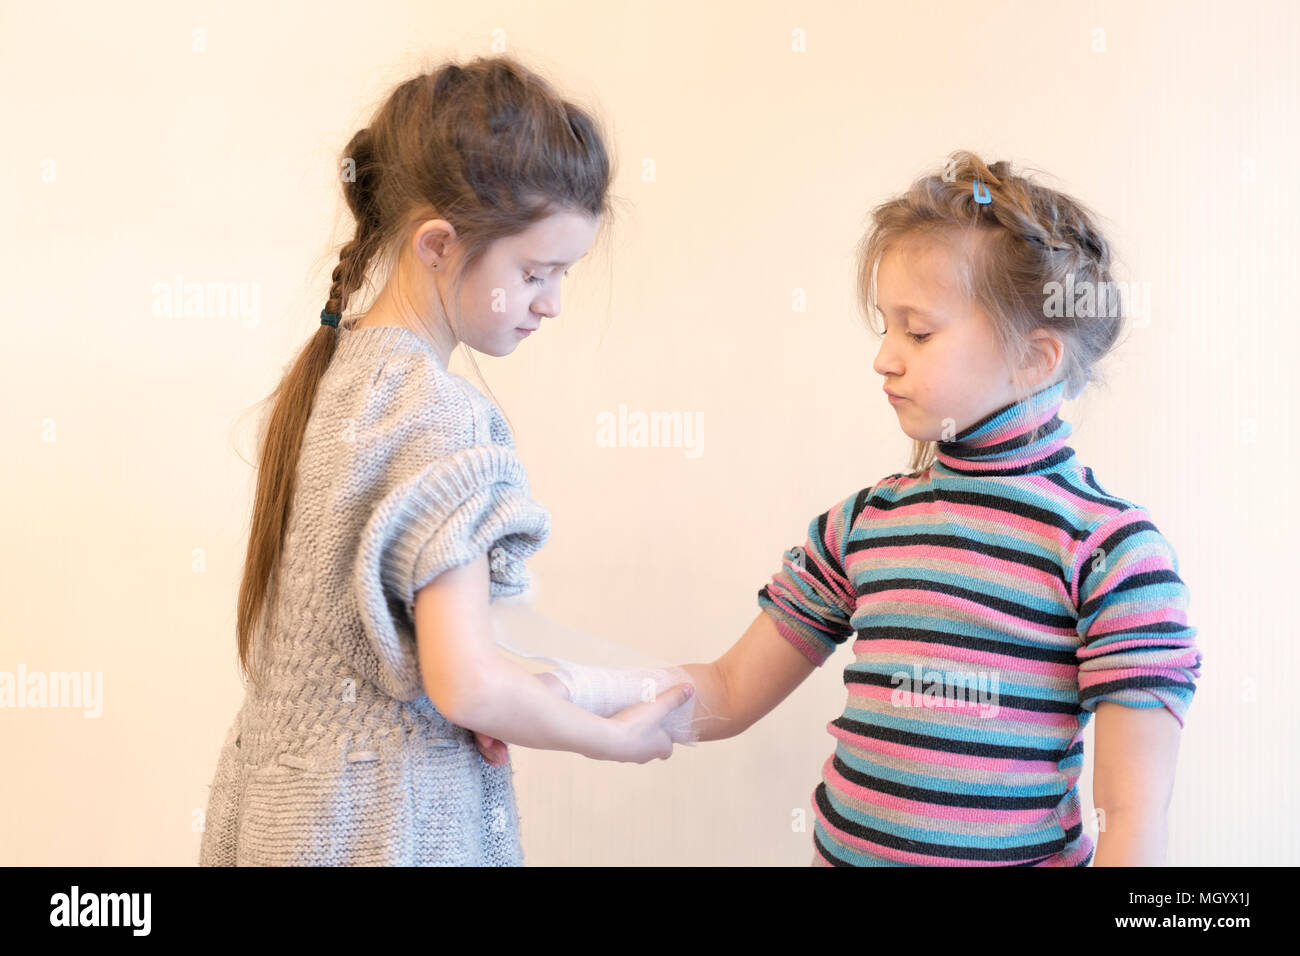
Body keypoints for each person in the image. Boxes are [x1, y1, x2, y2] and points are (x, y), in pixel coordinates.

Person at [553, 150, 1201, 866]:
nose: (884, 359)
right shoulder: (861, 527)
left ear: (1036, 358)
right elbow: (730, 688)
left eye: (918, 332)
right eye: (884, 328)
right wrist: (559, 694)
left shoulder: (1113, 554)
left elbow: (1132, 818)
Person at [198, 54, 692, 867]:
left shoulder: (332, 377)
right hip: (383, 826)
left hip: (276, 814)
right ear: (438, 243)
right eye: (534, 272)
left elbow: (416, 662)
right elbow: (466, 683)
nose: (552, 302)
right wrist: (612, 739)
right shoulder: (440, 413)